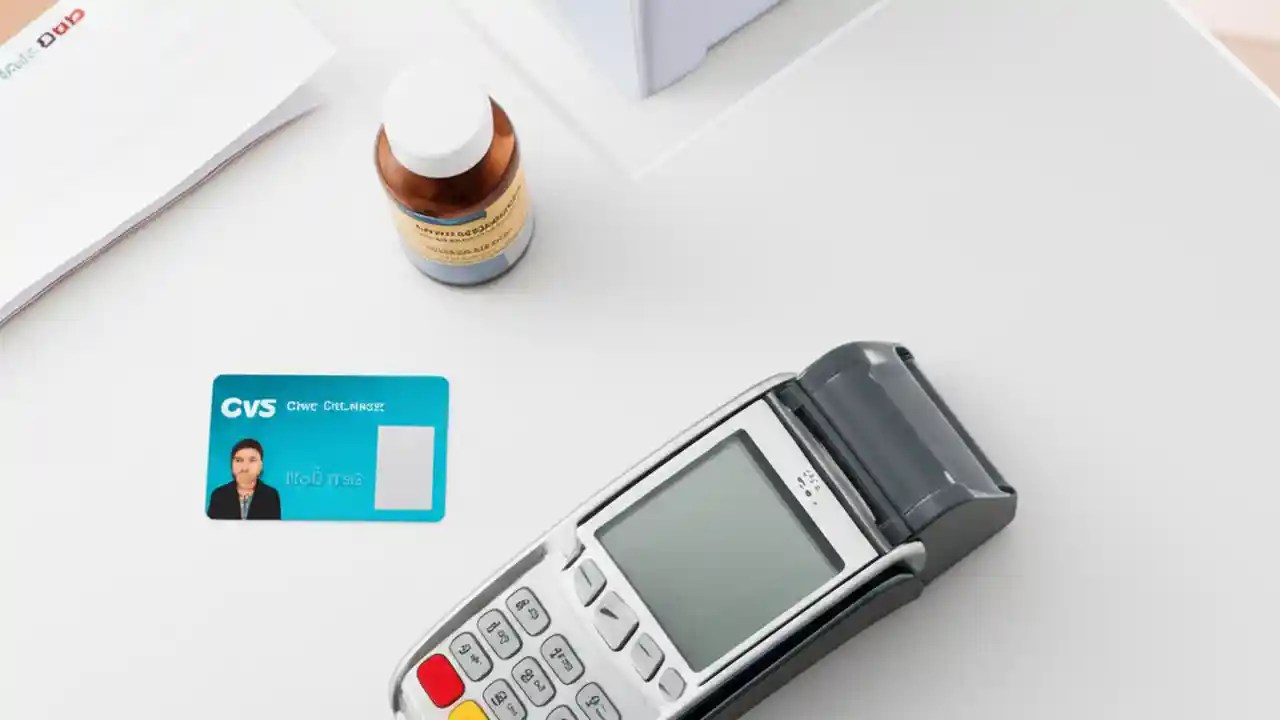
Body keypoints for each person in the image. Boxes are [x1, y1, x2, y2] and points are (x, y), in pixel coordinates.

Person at [207, 438, 281, 520]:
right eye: (238, 460)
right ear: (231, 464)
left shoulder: (270, 495)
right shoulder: (219, 495)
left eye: (252, 460)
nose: (245, 468)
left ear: (261, 465)